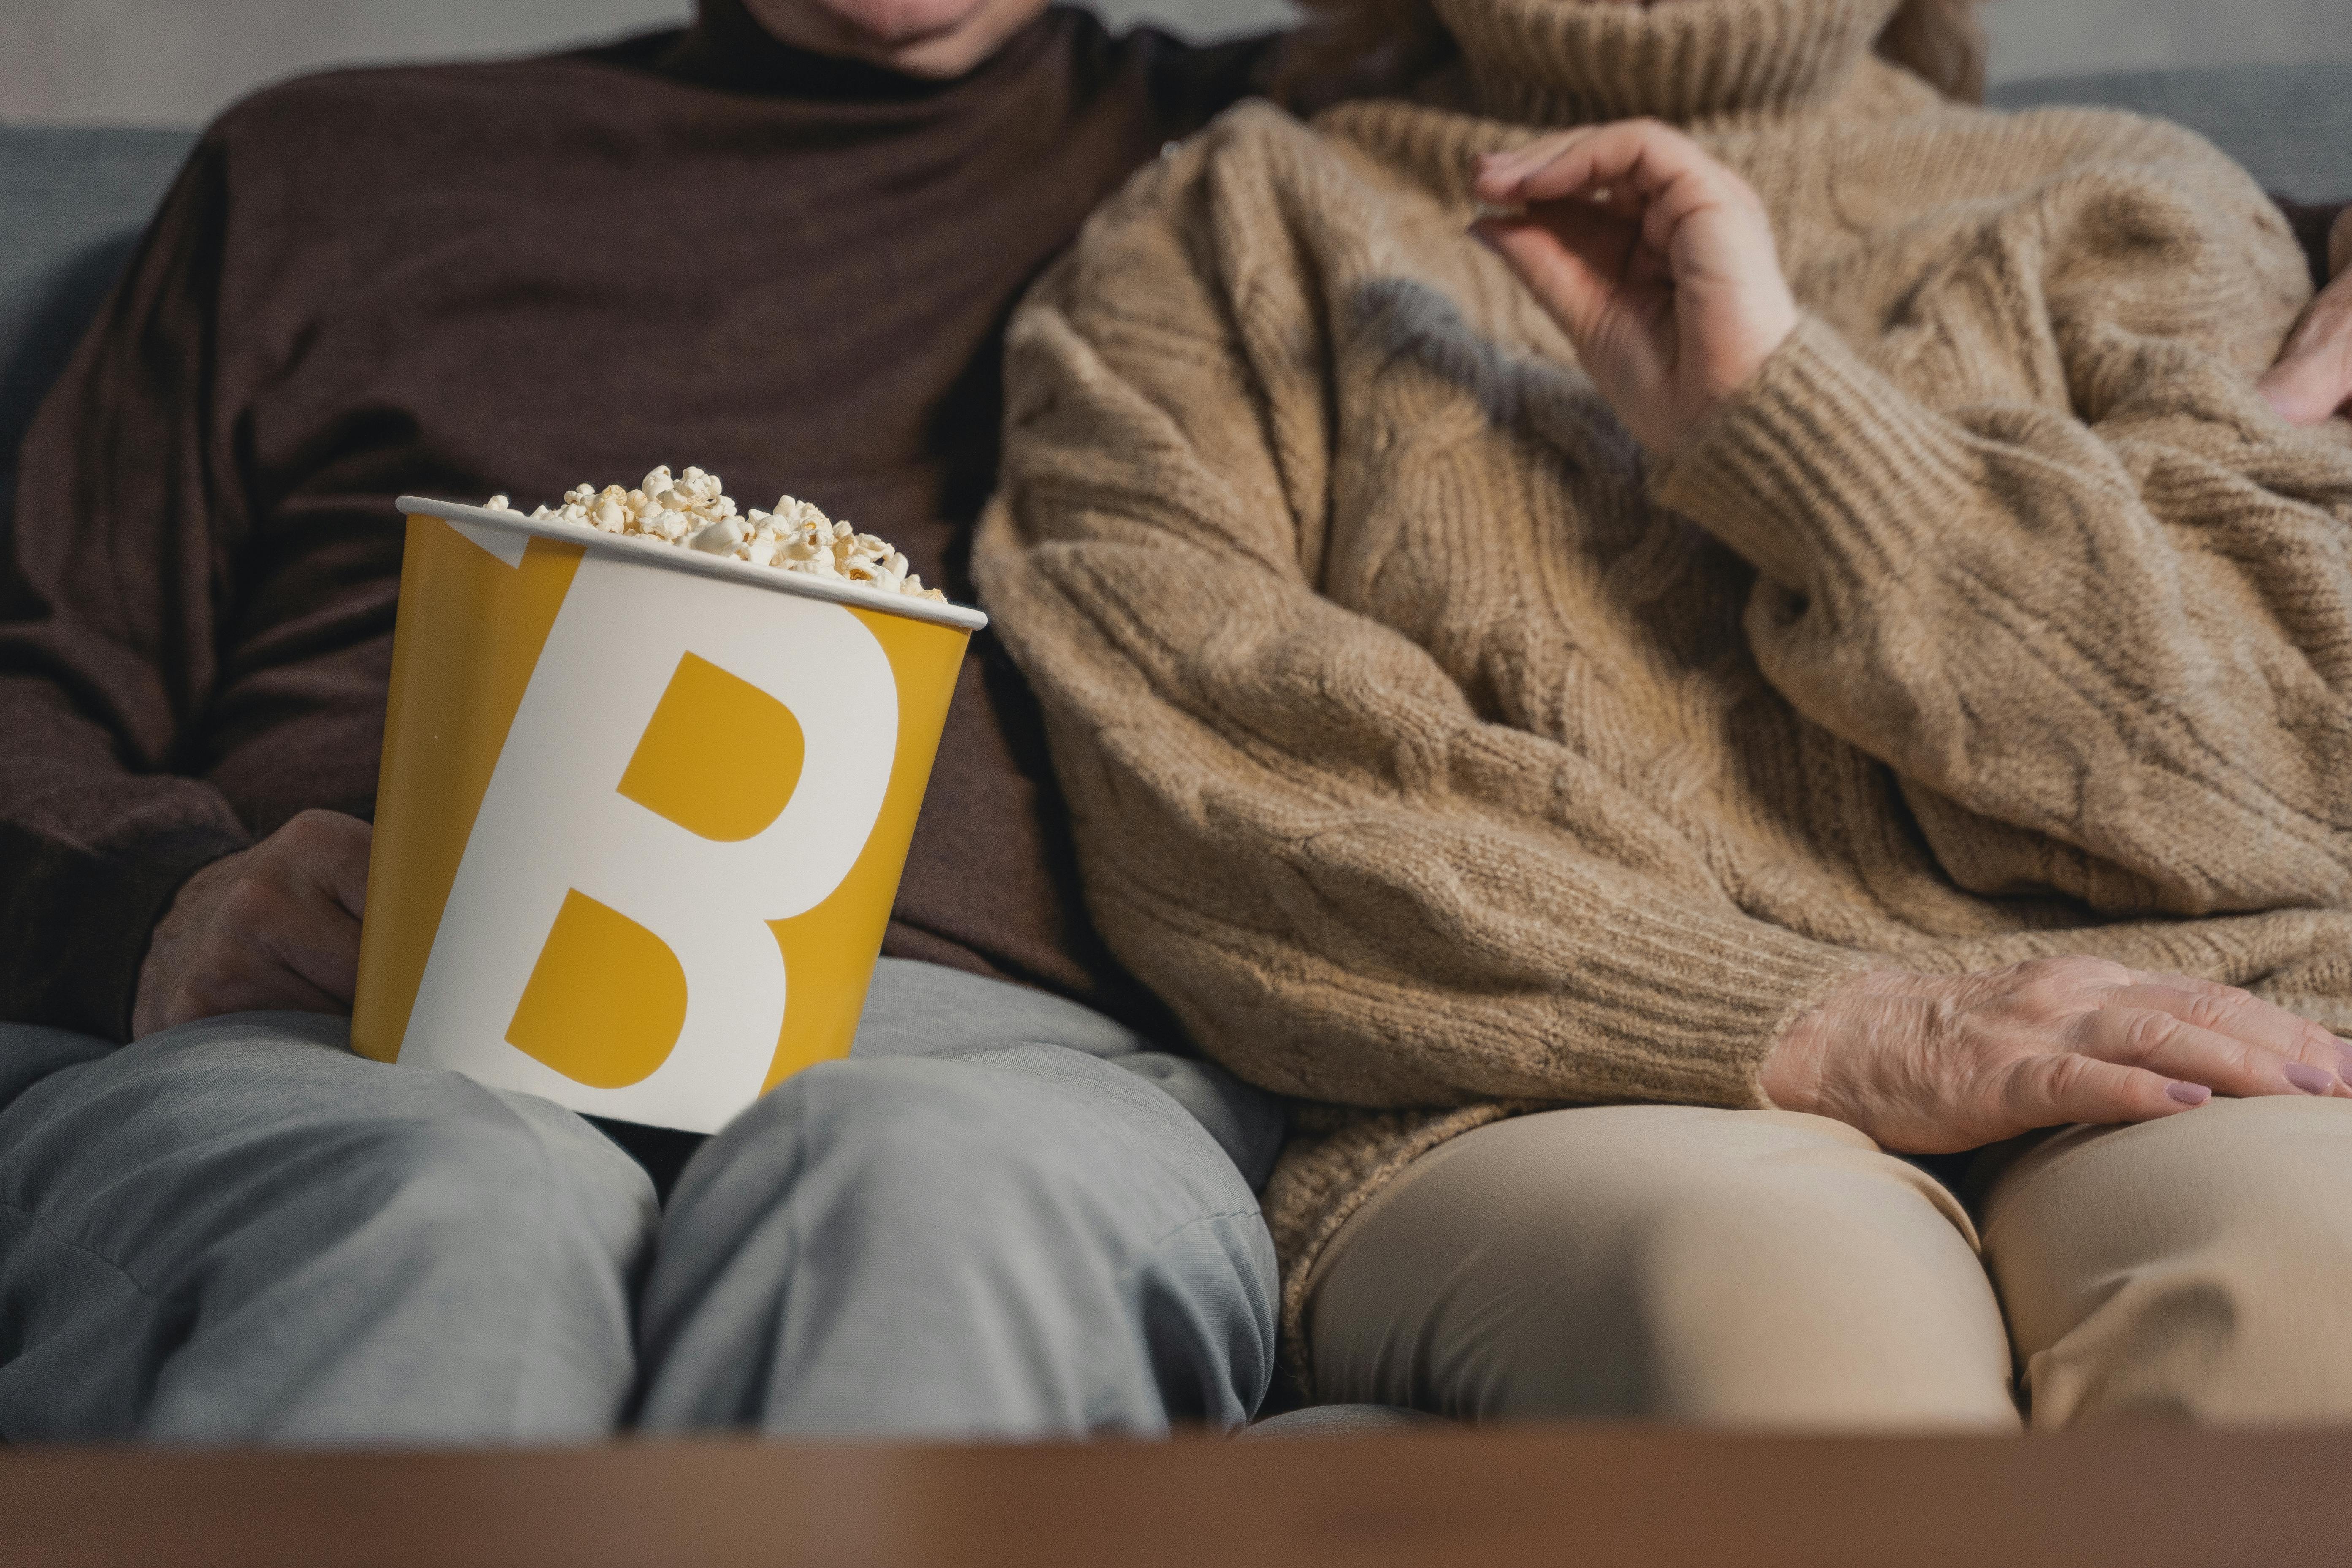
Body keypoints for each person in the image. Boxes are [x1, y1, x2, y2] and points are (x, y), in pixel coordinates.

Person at [977, 0, 2352, 1428]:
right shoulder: (1225, 231)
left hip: (2208, 1029)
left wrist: (1791, 437)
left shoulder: (2134, 196)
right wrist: (1800, 1012)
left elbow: (2300, 773)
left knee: (2313, 1301)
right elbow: (1205, 776)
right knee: (1790, 1329)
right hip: (1566, 1084)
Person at [0, 0, 1295, 1443]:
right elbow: (31, 682)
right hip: (361, 1030)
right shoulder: (329, 172)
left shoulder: (1277, 152)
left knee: (925, 1196)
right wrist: (159, 903)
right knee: (453, 1209)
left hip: (1000, 1062)